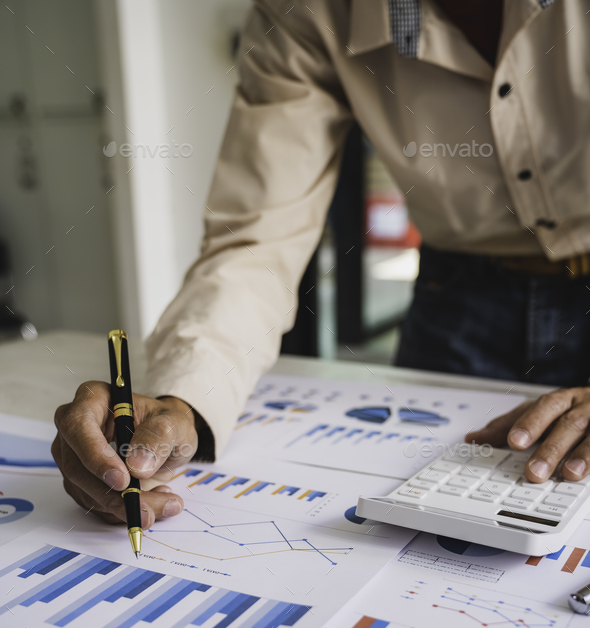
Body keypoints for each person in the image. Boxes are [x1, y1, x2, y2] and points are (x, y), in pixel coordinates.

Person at [52, 0, 590, 525]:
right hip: (461, 297)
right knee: (422, 523)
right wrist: (185, 397)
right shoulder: (304, 10)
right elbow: (258, 239)